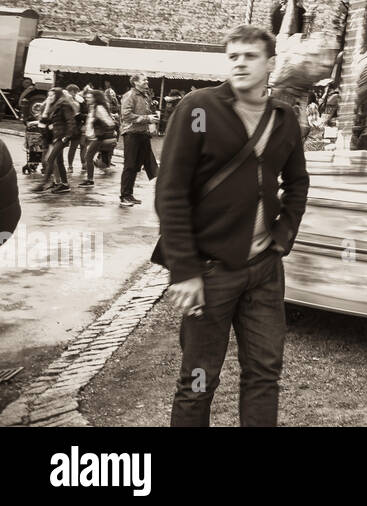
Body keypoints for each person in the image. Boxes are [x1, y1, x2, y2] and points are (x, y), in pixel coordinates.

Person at [153, 24, 310, 427]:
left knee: (264, 374)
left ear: (270, 64)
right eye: (233, 56)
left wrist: (283, 236)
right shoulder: (199, 108)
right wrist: (184, 271)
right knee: (199, 380)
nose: (239, 63)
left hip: (263, 271)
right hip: (209, 270)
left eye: (250, 56)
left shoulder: (283, 118)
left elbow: (297, 182)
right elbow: (170, 192)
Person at [119, 73, 157, 207]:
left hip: (143, 133)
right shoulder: (129, 96)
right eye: (144, 80)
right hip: (132, 133)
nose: (147, 81)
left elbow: (144, 113)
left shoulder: (145, 96)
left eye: (147, 79)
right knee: (130, 165)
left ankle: (129, 194)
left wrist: (150, 120)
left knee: (136, 166)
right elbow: (126, 115)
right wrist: (147, 119)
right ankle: (124, 196)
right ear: (135, 82)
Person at [33, 87, 76, 193]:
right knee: (59, 161)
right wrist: (47, 104)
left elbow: (71, 121)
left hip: (62, 136)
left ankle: (43, 184)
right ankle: (65, 185)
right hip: (56, 136)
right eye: (49, 95)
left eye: (52, 95)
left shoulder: (64, 104)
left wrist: (67, 136)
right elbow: (44, 119)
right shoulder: (54, 105)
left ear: (57, 95)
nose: (49, 97)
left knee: (50, 159)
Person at [80, 91, 117, 187]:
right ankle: (90, 178)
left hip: (98, 137)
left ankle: (90, 180)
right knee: (88, 157)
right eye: (87, 97)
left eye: (90, 97)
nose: (87, 99)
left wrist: (97, 122)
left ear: (95, 98)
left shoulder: (99, 108)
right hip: (93, 137)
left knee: (88, 157)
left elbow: (110, 123)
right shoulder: (92, 107)